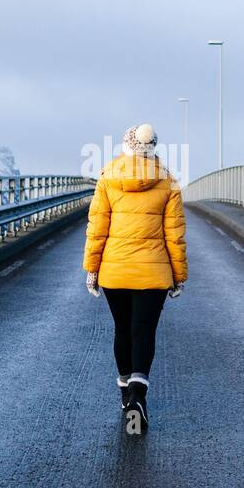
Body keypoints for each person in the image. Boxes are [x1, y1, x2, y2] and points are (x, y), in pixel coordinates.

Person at [82, 123, 187, 433]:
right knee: (143, 330)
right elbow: (175, 236)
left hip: (115, 272)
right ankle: (138, 394)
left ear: (125, 148)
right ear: (153, 148)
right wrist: (179, 276)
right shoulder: (168, 181)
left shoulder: (107, 177)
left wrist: (92, 269)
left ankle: (125, 393)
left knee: (122, 329)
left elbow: (96, 228)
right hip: (153, 274)